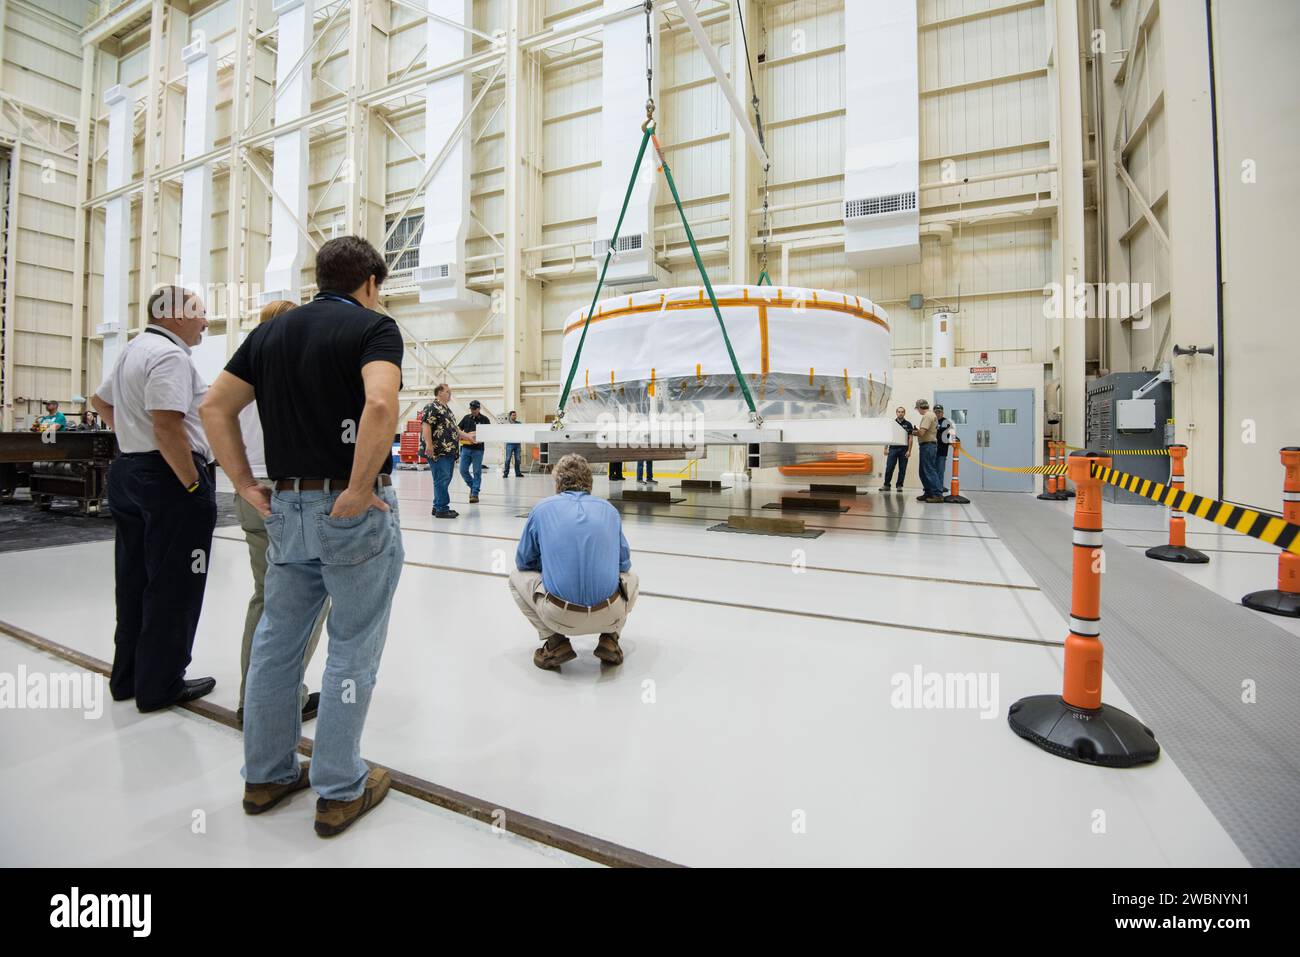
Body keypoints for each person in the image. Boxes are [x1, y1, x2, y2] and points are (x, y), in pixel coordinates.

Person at [201, 236, 405, 837]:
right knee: (352, 645)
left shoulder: (271, 333)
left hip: (285, 504)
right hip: (350, 508)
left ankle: (265, 775)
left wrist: (243, 482)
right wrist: (359, 486)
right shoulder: (374, 329)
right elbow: (380, 404)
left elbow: (214, 406)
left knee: (278, 642)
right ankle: (340, 788)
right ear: (369, 280)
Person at [90, 285, 218, 711]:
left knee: (134, 579)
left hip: (130, 472)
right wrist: (194, 485)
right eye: (200, 313)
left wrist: (131, 434)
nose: (205, 322)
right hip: (167, 478)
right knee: (175, 583)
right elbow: (167, 426)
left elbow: (101, 401)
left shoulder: (132, 349)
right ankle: (161, 684)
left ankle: (127, 677)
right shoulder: (170, 356)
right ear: (176, 315)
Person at [232, 299, 328, 727]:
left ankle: (250, 697)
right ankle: (283, 697)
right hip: (288, 494)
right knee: (306, 600)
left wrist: (240, 481)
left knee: (264, 596)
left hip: (249, 492)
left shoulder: (241, 369)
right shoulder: (292, 368)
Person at [509, 453, 638, 671]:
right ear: (589, 482)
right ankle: (610, 638)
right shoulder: (609, 510)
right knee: (631, 578)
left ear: (558, 482)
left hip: (559, 614)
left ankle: (555, 643)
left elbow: (523, 562)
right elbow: (624, 564)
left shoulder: (541, 509)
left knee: (515, 578)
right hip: (610, 612)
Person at [421, 383, 476, 518]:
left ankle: (437, 506)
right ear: (439, 393)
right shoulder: (432, 407)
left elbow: (454, 429)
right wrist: (429, 444)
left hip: (449, 450)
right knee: (442, 479)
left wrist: (468, 436)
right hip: (439, 450)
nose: (450, 394)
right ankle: (442, 509)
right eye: (447, 392)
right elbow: (426, 425)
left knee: (442, 479)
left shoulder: (447, 409)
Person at [457, 399, 491, 503]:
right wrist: (464, 435)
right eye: (471, 409)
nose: (473, 411)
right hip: (466, 448)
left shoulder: (485, 419)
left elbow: (489, 433)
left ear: (479, 408)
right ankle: (473, 487)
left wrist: (476, 434)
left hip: (478, 450)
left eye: (475, 409)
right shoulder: (466, 418)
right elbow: (458, 428)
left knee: (477, 472)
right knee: (463, 470)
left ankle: (475, 494)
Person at [913, 399, 943, 503]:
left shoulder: (927, 416)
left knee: (929, 470)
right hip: (926, 446)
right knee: (923, 471)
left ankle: (937, 494)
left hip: (928, 446)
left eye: (917, 409)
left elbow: (921, 433)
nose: (918, 411)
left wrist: (912, 432)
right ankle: (928, 492)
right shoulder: (931, 415)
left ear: (920, 407)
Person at [880, 405, 914, 492]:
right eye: (899, 412)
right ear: (896, 413)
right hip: (893, 449)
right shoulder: (892, 424)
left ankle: (899, 486)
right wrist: (885, 448)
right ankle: (886, 485)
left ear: (904, 413)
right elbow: (888, 436)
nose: (900, 413)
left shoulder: (908, 424)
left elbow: (910, 438)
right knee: (889, 467)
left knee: (902, 469)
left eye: (902, 412)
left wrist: (909, 451)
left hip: (904, 450)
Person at [934, 404, 954, 495]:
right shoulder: (932, 421)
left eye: (939, 412)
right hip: (932, 450)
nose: (937, 414)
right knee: (931, 470)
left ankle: (939, 489)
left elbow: (948, 437)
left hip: (942, 450)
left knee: (940, 470)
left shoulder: (946, 422)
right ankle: (933, 488)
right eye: (936, 412)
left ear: (942, 412)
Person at [502, 411, 524, 477]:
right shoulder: (507, 424)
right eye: (513, 415)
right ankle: (506, 473)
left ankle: (518, 473)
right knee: (508, 459)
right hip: (509, 443)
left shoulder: (519, 423)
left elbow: (522, 431)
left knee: (518, 459)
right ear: (510, 416)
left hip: (517, 444)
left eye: (515, 415)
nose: (514, 416)